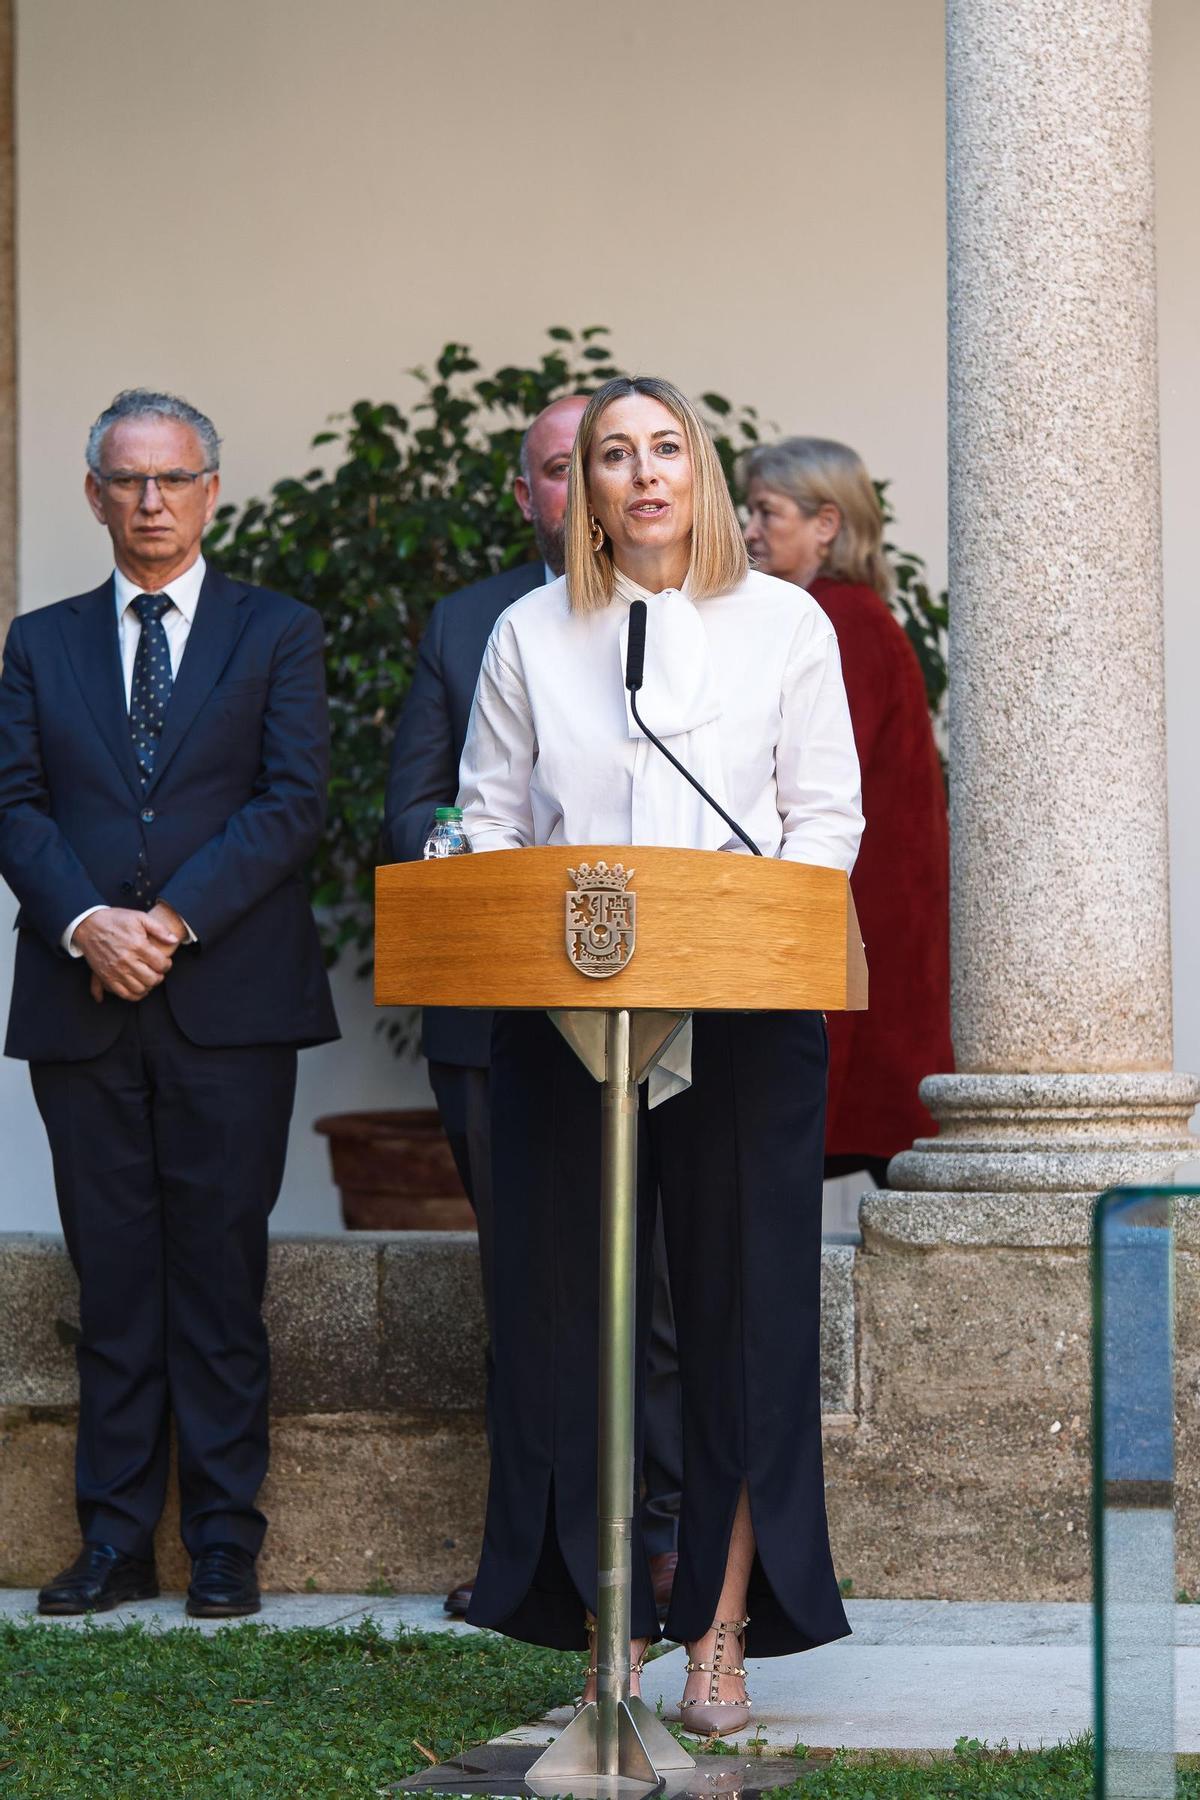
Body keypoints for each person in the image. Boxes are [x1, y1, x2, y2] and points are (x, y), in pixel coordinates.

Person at [457, 376, 863, 1734]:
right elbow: (490, 824)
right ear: (581, 487)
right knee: (575, 1325)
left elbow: (824, 824)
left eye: (665, 450)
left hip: (745, 1025)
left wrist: (736, 944)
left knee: (746, 1325)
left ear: (702, 473)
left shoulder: (786, 624)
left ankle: (721, 1637)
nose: (640, 475)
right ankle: (604, 1632)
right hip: (568, 1028)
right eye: (611, 455)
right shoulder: (531, 628)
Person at [0, 389, 338, 1618]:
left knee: (217, 1276)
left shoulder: (278, 631)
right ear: (94, 494)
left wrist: (171, 922)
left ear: (211, 491)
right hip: (81, 1003)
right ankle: (112, 1541)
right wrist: (89, 922)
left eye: (174, 479)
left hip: (227, 1005)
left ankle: (227, 1543)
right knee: (114, 1281)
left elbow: (295, 800)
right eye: (129, 481)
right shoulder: (40, 643)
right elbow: (16, 805)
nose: (152, 502)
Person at [383, 394, 683, 1620]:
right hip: (505, 1016)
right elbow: (418, 810)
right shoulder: (475, 628)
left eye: (605, 461)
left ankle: (659, 1540)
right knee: (530, 1296)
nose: (588, 487)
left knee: (657, 1298)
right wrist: (494, 868)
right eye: (562, 469)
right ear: (530, 497)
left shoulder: (700, 616)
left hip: (673, 1010)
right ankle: (535, 1559)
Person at [742, 437, 952, 1185]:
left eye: (767, 511)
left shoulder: (840, 621)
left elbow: (804, 784)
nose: (748, 529)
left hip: (858, 927)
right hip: (865, 925)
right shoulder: (840, 615)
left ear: (826, 524)